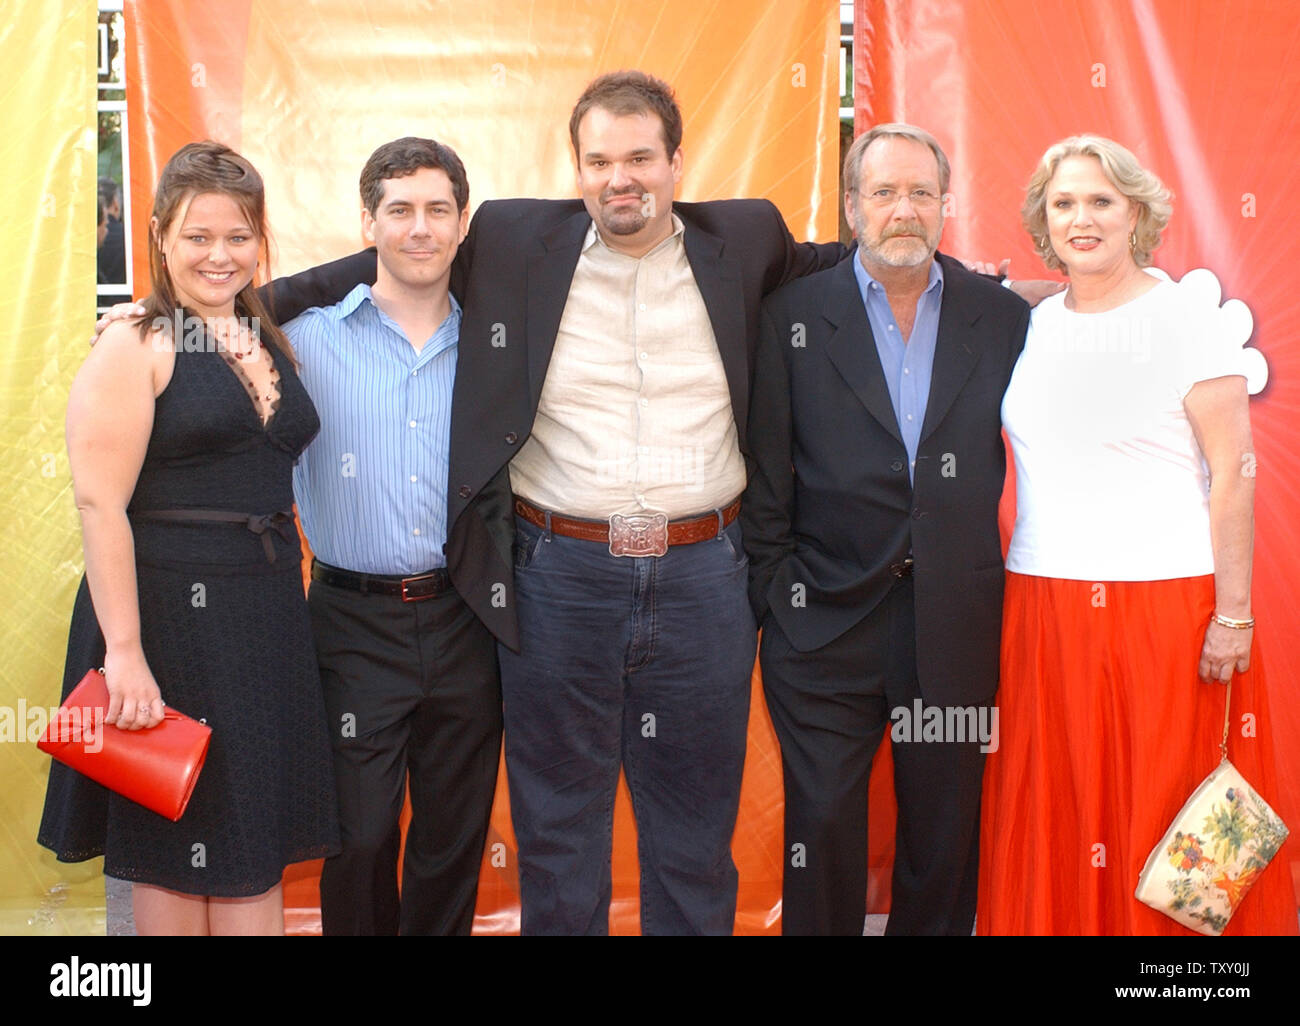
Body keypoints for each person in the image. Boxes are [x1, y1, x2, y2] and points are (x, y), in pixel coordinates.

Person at [270, 70, 847, 934]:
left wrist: (973, 282)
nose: (622, 178)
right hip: (557, 577)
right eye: (600, 159)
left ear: (677, 162)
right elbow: (392, 255)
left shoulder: (749, 235)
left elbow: (845, 268)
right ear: (575, 168)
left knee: (693, 832)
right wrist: (220, 312)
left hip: (704, 579)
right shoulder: (510, 236)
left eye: (641, 157)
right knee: (557, 831)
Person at [977, 134, 1298, 935]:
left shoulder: (1186, 320)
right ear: (1042, 221)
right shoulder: (1035, 322)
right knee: (1061, 800)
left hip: (1167, 611)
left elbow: (1235, 473)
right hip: (1043, 608)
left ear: (1136, 214)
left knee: (1163, 812)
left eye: (1099, 202)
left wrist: (1234, 615)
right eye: (1063, 204)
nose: (1080, 219)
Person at [39, 141, 339, 935]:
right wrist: (125, 654)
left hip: (265, 615)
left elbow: (348, 272)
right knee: (175, 837)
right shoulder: (135, 342)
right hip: (168, 620)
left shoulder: (261, 325)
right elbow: (100, 505)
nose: (219, 254)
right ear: (159, 236)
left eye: (238, 236)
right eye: (197, 237)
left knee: (253, 838)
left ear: (260, 241)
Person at [741, 123, 1030, 935]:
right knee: (823, 829)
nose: (903, 209)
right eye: (884, 192)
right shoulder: (790, 317)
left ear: (945, 204)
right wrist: (779, 599)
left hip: (954, 625)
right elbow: (766, 476)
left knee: (943, 838)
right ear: (851, 207)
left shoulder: (1001, 317)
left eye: (920, 193)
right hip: (823, 629)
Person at [284, 138, 500, 936]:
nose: (420, 228)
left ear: (462, 223)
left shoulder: (498, 347)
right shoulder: (301, 343)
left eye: (438, 210)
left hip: (468, 617)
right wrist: (147, 328)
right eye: (400, 210)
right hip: (349, 622)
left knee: (452, 838)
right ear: (367, 222)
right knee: (359, 835)